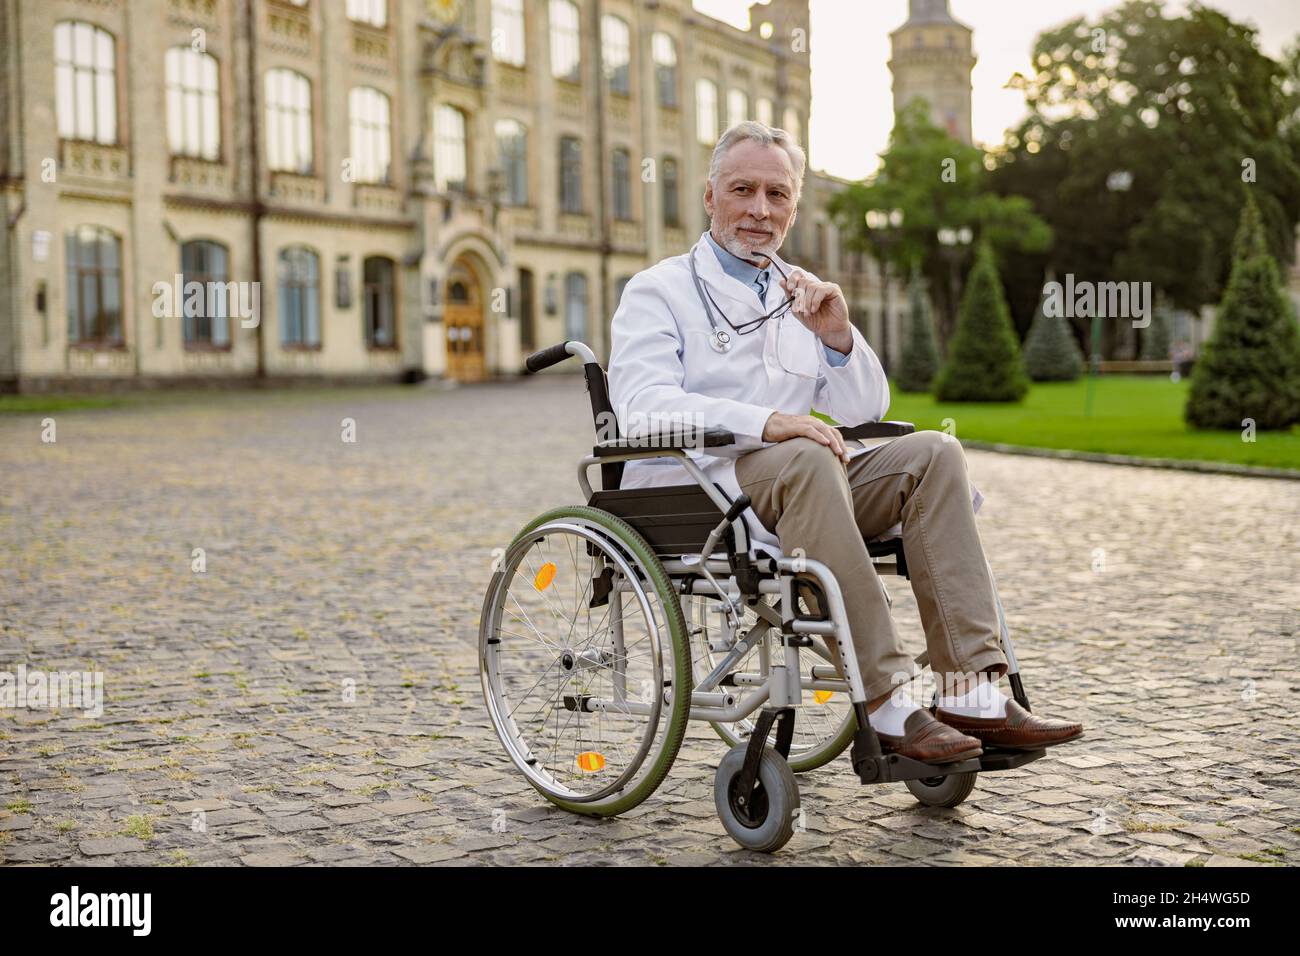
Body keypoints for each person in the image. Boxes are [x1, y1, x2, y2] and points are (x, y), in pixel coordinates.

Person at [607, 122, 1082, 763]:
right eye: (742, 189)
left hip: (805, 488)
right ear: (709, 195)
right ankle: (886, 701)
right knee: (805, 454)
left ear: (793, 207)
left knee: (934, 453)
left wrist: (836, 337)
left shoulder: (799, 291)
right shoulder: (658, 290)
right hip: (701, 493)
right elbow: (639, 410)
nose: (759, 210)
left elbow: (865, 409)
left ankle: (970, 690)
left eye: (777, 195)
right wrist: (770, 422)